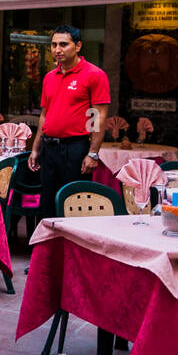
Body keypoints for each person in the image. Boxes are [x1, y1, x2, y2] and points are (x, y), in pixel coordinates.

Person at [28, 25, 110, 217]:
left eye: (63, 44)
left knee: (74, 205)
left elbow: (99, 116)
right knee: (47, 205)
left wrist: (93, 154)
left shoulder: (94, 75)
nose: (57, 49)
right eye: (54, 45)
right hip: (49, 149)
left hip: (75, 149)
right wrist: (35, 148)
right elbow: (44, 116)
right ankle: (47, 247)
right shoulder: (49, 77)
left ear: (78, 46)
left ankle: (71, 248)